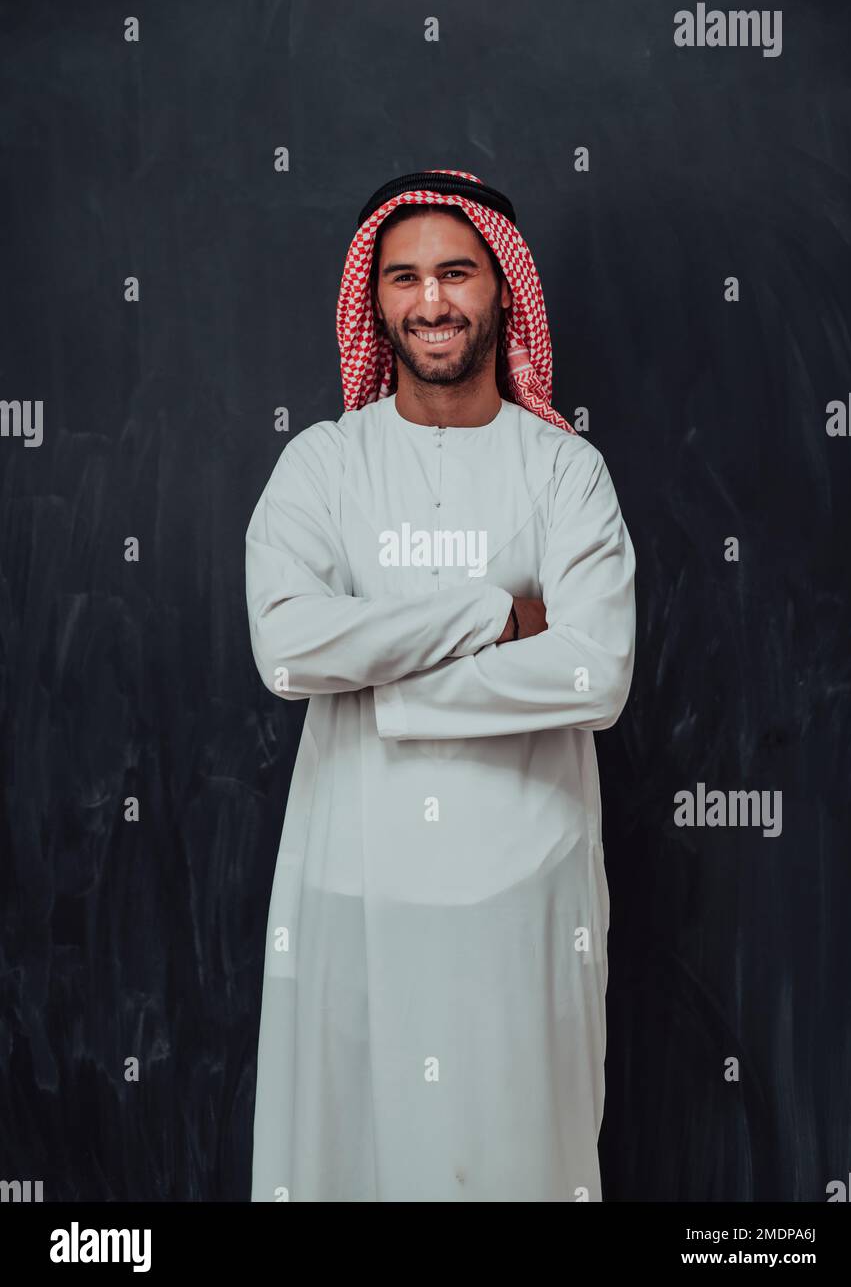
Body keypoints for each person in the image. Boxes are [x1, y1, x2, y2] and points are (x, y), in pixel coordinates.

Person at [245, 168, 637, 1201]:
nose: (430, 301)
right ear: (371, 300)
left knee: (517, 1164)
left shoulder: (564, 472)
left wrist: (389, 688)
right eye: (404, 277)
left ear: (502, 291)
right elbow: (287, 650)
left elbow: (595, 671)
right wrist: (491, 615)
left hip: (526, 894)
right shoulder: (321, 467)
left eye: (456, 273)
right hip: (351, 887)